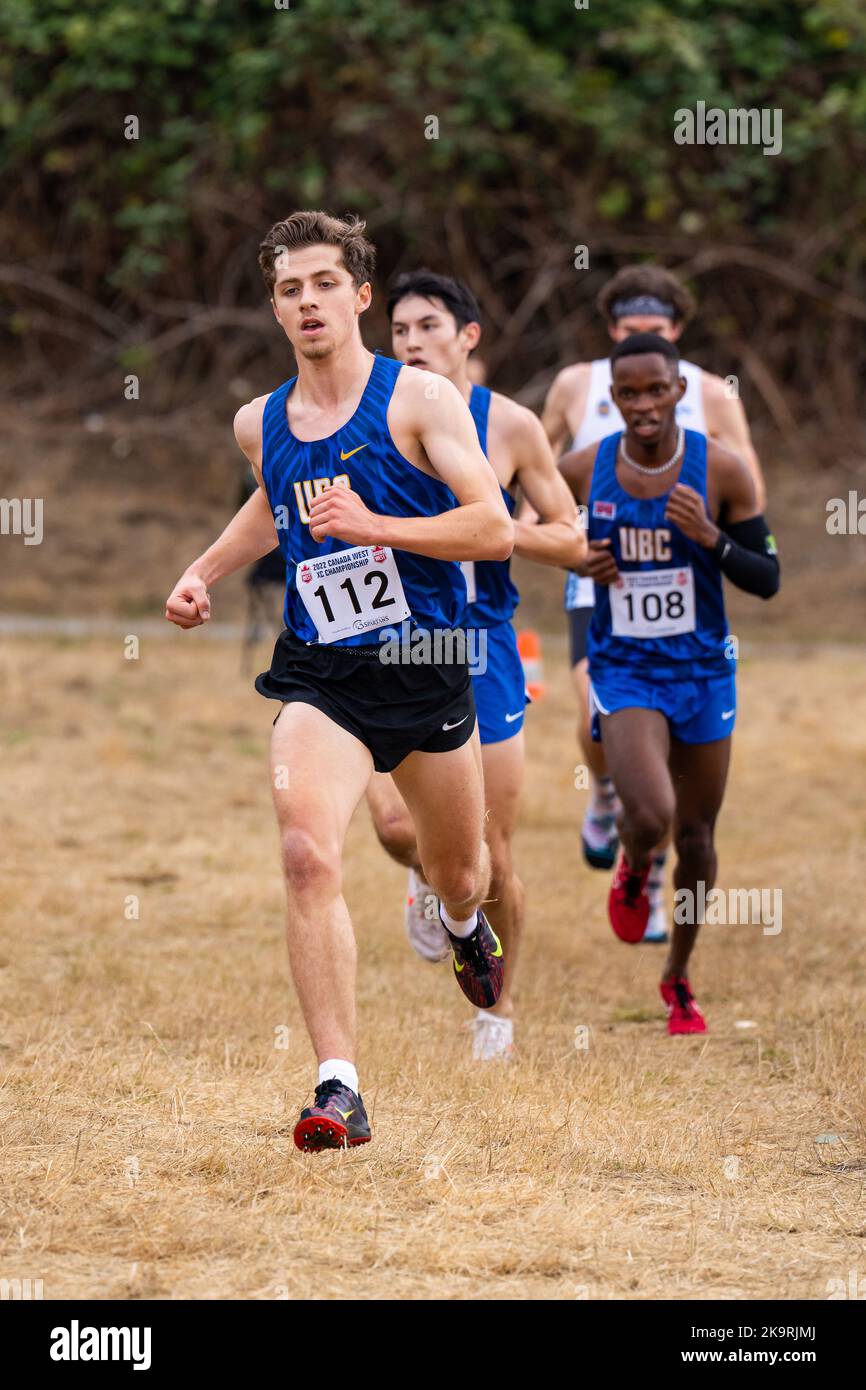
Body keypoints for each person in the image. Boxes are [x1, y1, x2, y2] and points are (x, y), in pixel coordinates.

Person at [165, 212, 514, 1151]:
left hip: (428, 666)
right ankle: (339, 1087)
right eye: (289, 288)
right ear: (274, 308)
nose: (308, 301)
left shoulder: (422, 402)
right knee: (307, 854)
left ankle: (462, 920)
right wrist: (202, 571)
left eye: (325, 283)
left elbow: (494, 530)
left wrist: (379, 528)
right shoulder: (259, 422)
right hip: (323, 675)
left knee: (459, 868)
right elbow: (273, 506)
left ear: (361, 296)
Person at [365, 270, 585, 1060]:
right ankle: (426, 879)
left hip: (479, 644)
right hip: (387, 639)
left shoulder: (512, 426)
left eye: (429, 327)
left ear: (468, 338)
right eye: (399, 331)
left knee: (492, 854)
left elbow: (573, 539)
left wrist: (492, 528)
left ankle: (496, 1009)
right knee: (395, 826)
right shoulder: (372, 412)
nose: (413, 343)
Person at [558, 333, 779, 1035]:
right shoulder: (585, 467)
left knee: (699, 837)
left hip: (704, 671)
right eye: (631, 392)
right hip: (624, 667)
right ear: (614, 398)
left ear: (680, 390)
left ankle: (677, 976)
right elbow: (518, 521)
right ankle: (631, 859)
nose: (646, 404)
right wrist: (575, 554)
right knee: (651, 816)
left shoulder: (723, 470)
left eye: (658, 389)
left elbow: (767, 577)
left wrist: (711, 538)